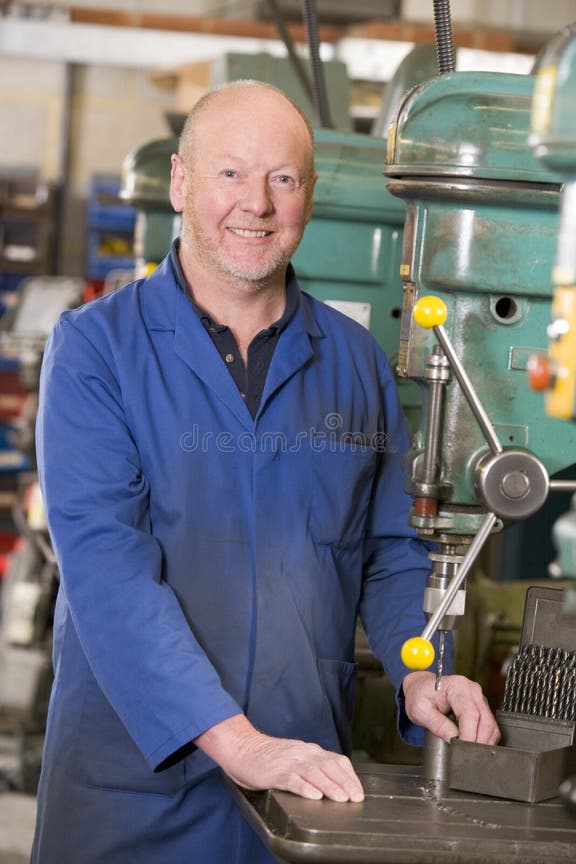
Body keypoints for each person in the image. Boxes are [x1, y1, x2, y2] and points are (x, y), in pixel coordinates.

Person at [31, 80, 499, 864]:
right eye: (230, 174)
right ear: (181, 182)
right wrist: (236, 742)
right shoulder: (95, 351)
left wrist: (425, 675)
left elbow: (388, 554)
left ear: (308, 196)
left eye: (282, 179)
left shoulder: (353, 362)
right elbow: (107, 574)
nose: (257, 203)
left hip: (298, 788)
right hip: (132, 794)